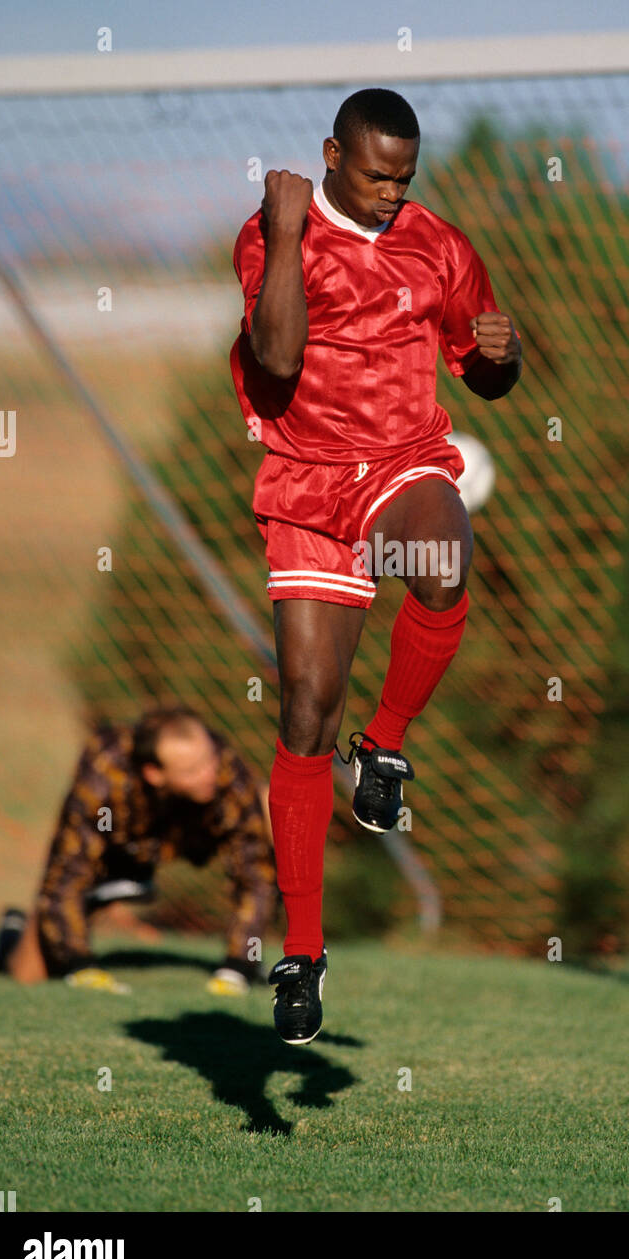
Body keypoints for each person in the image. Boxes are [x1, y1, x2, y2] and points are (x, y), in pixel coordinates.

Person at [230, 87, 522, 1046]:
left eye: (406, 175)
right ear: (330, 155)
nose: (394, 192)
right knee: (306, 713)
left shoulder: (438, 244)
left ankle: (387, 744)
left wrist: (497, 358)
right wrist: (282, 238)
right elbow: (273, 362)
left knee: (441, 561)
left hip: (401, 461)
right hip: (309, 487)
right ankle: (303, 954)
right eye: (376, 174)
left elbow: (485, 372)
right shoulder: (272, 235)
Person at [0, 706, 276, 995]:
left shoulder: (223, 769)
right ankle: (15, 931)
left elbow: (255, 872)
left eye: (209, 760)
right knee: (28, 972)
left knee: (269, 803)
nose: (209, 775)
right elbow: (66, 876)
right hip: (112, 853)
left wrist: (239, 964)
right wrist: (80, 965)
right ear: (154, 773)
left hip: (185, 840)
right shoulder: (103, 775)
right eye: (192, 771)